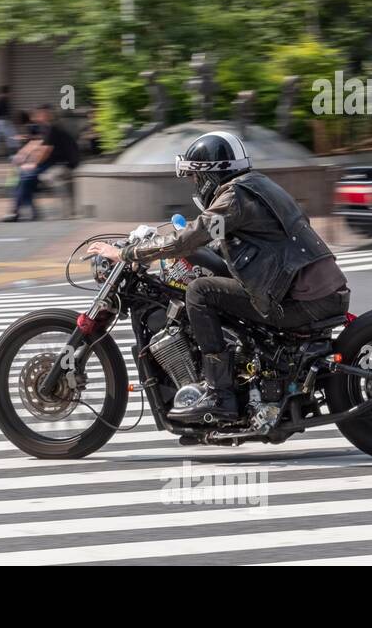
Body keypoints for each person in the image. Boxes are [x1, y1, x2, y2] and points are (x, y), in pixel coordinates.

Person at [86, 131, 349, 424]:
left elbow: (191, 236)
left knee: (200, 292)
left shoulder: (233, 197)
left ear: (211, 175)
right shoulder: (258, 184)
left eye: (196, 178)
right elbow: (239, 237)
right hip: (314, 290)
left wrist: (129, 253)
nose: (195, 185)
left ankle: (219, 392)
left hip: (298, 300)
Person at [1, 104, 78, 222]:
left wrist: (33, 164)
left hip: (63, 163)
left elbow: (46, 151)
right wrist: (23, 156)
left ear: (47, 115)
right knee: (23, 176)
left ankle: (16, 212)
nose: (37, 116)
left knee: (26, 177)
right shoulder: (46, 128)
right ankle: (29, 212)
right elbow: (37, 144)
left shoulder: (53, 128)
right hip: (54, 161)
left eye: (40, 114)